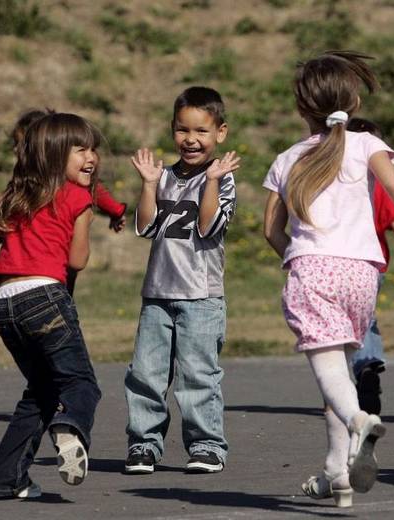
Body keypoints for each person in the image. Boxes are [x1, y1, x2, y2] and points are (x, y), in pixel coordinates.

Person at [263, 51, 394, 507]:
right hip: (362, 275)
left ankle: (359, 422)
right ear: (355, 100)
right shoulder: (365, 145)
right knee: (338, 377)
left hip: (314, 272)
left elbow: (271, 230)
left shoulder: (287, 159)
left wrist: (300, 259)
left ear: (302, 109)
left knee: (333, 383)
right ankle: (336, 473)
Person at [0, 113, 102, 499]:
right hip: (45, 297)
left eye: (92, 149)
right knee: (80, 384)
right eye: (80, 150)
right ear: (55, 156)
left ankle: (5, 477)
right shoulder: (78, 197)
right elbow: (77, 261)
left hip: (6, 304)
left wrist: (11, 195)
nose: (91, 157)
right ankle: (71, 425)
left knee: (41, 389)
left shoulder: (20, 195)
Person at [123, 86, 240, 475]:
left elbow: (208, 227)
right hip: (158, 292)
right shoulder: (164, 176)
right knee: (146, 374)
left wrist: (210, 181)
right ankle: (144, 445)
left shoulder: (222, 179)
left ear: (220, 133)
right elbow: (143, 227)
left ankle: (207, 445)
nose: (191, 139)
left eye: (202, 131)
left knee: (197, 375)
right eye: (182, 130)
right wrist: (148, 184)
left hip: (201, 296)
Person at [345, 118, 394, 415]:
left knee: (342, 326)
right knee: (367, 318)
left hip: (336, 261)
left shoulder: (335, 183)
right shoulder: (377, 184)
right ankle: (368, 364)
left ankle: (349, 378)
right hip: (373, 265)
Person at [9, 108, 128, 295]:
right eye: (15, 143)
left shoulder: (71, 184)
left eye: (22, 143)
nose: (17, 149)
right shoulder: (26, 181)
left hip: (54, 265)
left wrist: (116, 210)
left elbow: (96, 189)